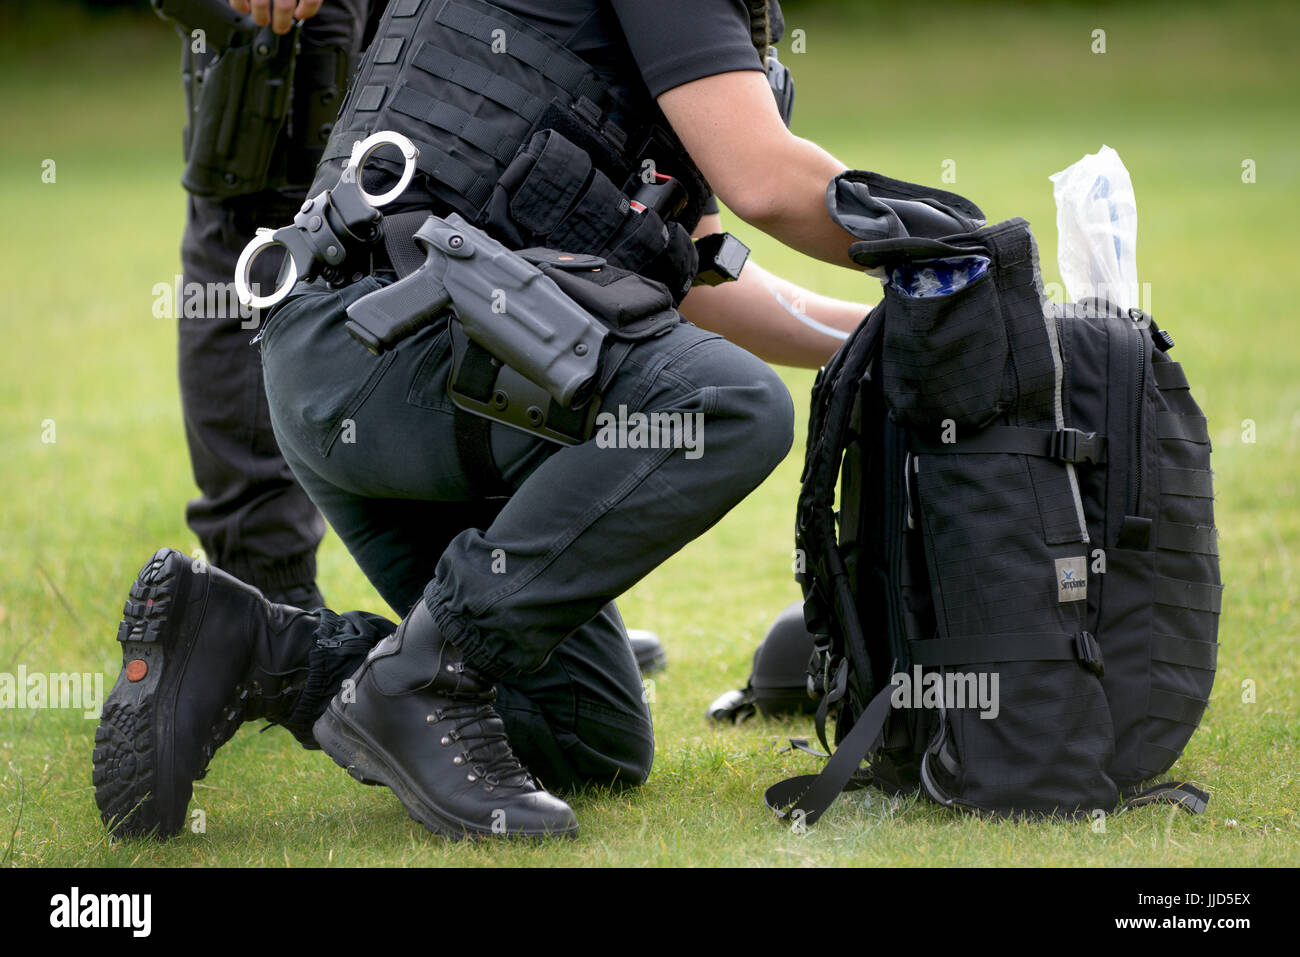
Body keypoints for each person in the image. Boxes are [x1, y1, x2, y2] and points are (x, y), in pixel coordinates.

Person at [94, 0, 871, 840]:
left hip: (381, 363)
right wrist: (949, 252)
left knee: (582, 736)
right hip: (392, 345)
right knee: (728, 405)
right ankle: (423, 675)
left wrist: (880, 333)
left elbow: (701, 284)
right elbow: (769, 179)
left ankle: (252, 647)